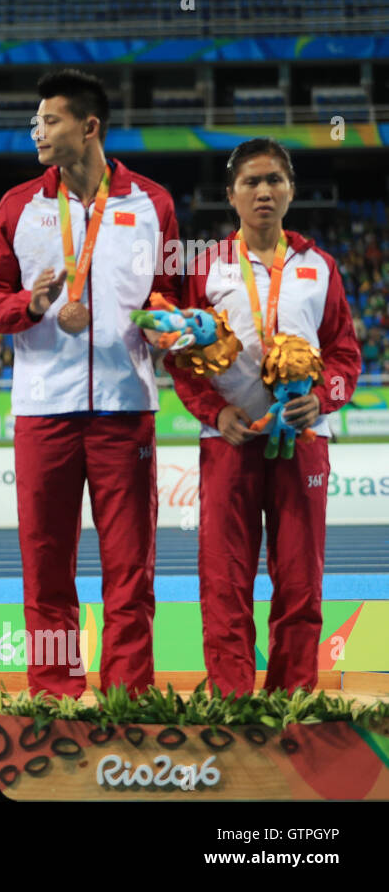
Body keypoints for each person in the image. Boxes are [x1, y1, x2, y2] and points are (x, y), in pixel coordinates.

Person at [0, 70, 181, 698]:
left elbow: (174, 293)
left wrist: (165, 325)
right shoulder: (17, 207)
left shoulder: (154, 204)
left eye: (49, 121)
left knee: (130, 569)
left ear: (89, 127)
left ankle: (127, 696)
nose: (37, 130)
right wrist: (31, 309)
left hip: (126, 410)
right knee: (46, 567)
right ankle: (56, 694)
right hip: (44, 413)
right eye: (36, 121)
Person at [165, 138, 360, 696]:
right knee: (224, 579)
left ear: (292, 190)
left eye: (275, 179)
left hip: (303, 442)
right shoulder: (206, 268)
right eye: (251, 181)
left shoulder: (319, 266)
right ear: (231, 196)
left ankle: (292, 696)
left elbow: (345, 353)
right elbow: (181, 358)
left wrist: (323, 399)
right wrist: (213, 409)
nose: (264, 191)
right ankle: (231, 697)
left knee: (300, 579)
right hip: (228, 443)